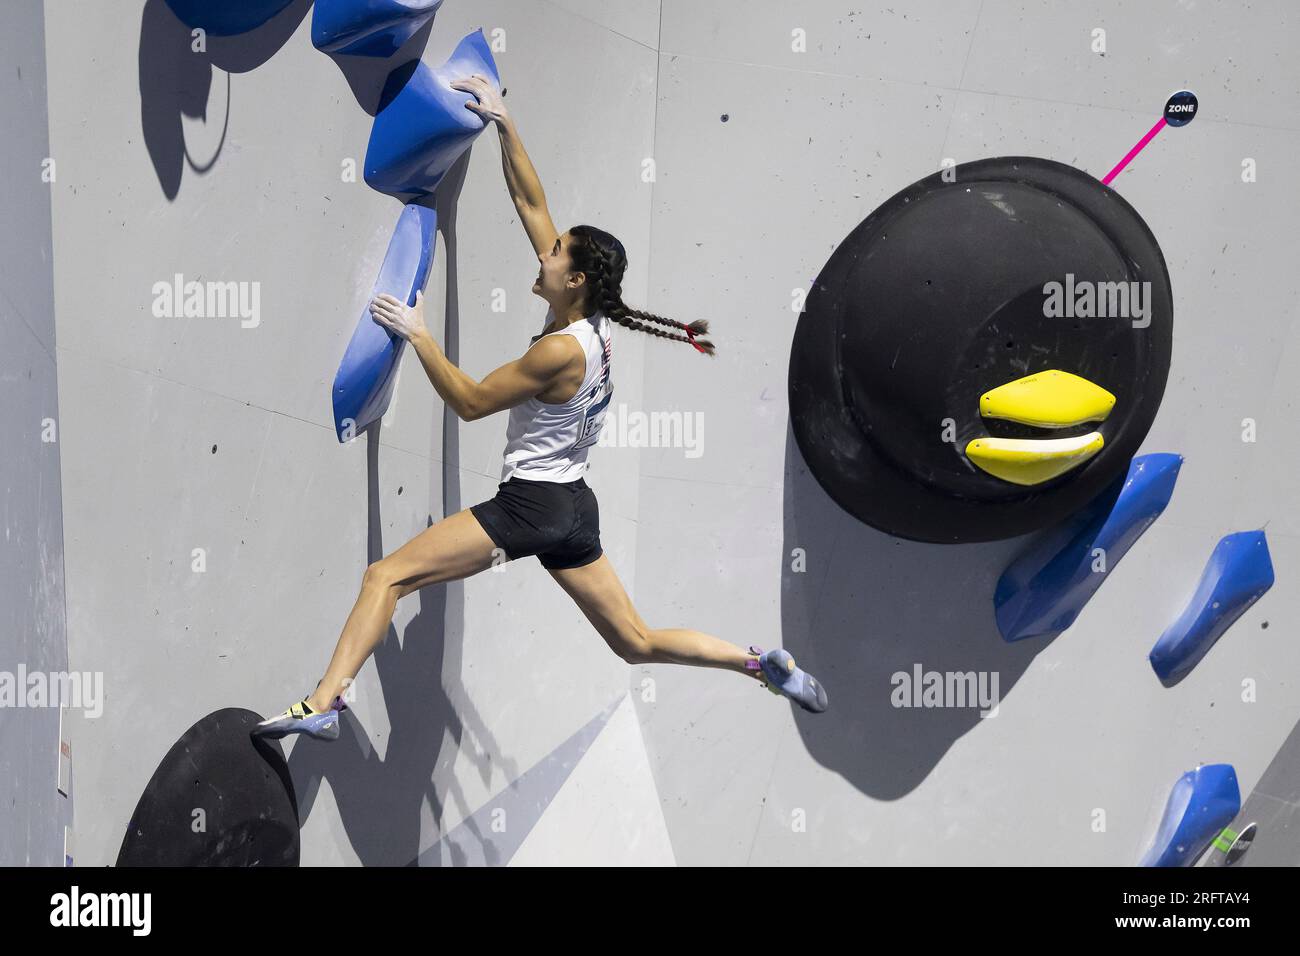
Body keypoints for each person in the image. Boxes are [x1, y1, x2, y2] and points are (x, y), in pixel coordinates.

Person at [253, 74, 827, 740]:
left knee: (387, 576)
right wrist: (505, 123)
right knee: (635, 640)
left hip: (531, 507)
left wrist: (420, 336)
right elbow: (532, 201)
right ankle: (758, 663)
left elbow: (468, 402)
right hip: (573, 508)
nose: (545, 252)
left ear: (575, 279)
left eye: (556, 254)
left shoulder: (560, 353)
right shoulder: (596, 317)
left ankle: (324, 702)